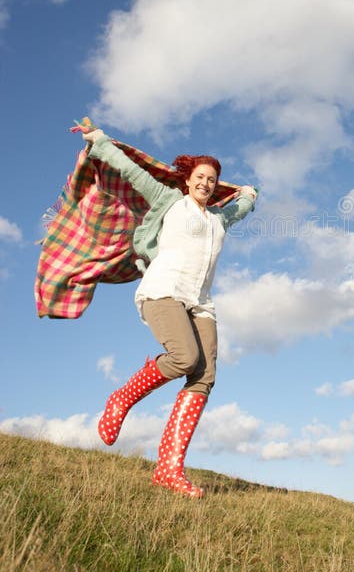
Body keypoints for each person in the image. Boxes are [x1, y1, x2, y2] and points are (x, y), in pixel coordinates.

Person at [72, 120, 258, 499]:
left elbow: (241, 208)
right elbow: (129, 170)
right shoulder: (169, 200)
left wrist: (250, 195)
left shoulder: (219, 220)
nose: (206, 183)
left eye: (212, 179)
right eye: (201, 177)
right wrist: (98, 141)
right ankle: (121, 398)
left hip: (201, 302)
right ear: (188, 180)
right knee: (185, 357)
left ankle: (169, 468)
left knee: (205, 377)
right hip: (165, 290)